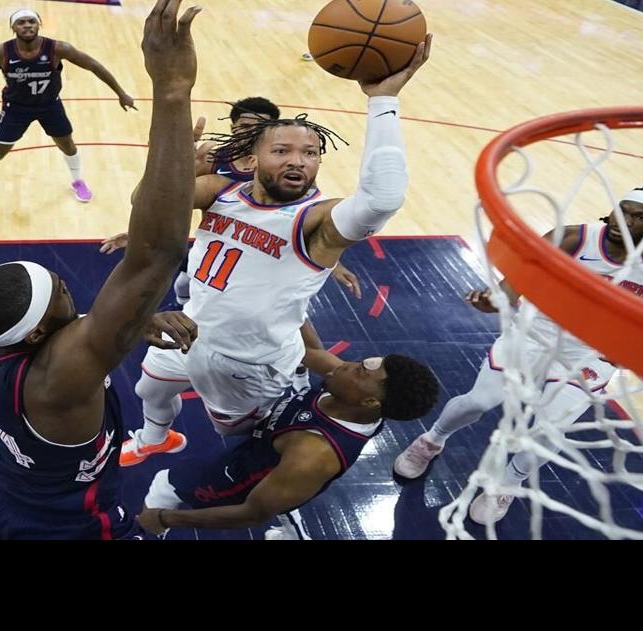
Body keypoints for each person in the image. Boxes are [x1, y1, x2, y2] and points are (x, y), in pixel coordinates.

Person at [119, 34, 435, 465]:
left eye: (310, 153)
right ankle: (155, 437)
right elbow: (143, 203)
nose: (298, 160)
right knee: (149, 387)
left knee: (238, 439)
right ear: (251, 160)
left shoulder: (314, 221)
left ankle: (264, 461)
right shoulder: (221, 191)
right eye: (282, 150)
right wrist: (177, 166)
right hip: (194, 327)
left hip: (247, 366)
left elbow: (380, 200)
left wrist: (383, 101)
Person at [0, 0, 202, 539]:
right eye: (61, 292)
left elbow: (70, 331)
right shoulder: (61, 378)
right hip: (68, 522)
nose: (69, 288)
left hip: (0, 490)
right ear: (38, 333)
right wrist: (172, 92)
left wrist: (132, 322)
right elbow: (157, 252)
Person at [393, 186, 643, 525]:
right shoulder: (573, 238)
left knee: (549, 430)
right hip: (535, 333)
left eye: (640, 217)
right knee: (478, 402)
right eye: (623, 210)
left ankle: (508, 483)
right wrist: (496, 300)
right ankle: (432, 440)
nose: (624, 220)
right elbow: (515, 282)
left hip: (591, 354)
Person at [135, 346, 439, 539]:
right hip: (275, 463)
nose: (348, 364)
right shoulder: (349, 392)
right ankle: (291, 521)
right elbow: (305, 345)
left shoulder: (312, 454)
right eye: (360, 362)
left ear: (371, 401)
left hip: (243, 481)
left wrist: (164, 518)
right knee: (286, 496)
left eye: (360, 371)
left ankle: (150, 529)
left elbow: (251, 514)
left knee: (166, 482)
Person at [0, 7, 138, 211]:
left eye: (31, 21)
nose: (27, 25)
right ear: (13, 27)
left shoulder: (58, 48)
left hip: (50, 105)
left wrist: (121, 93)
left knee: (67, 144)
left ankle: (78, 181)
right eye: (21, 22)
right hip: (15, 109)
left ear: (39, 24)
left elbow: (93, 65)